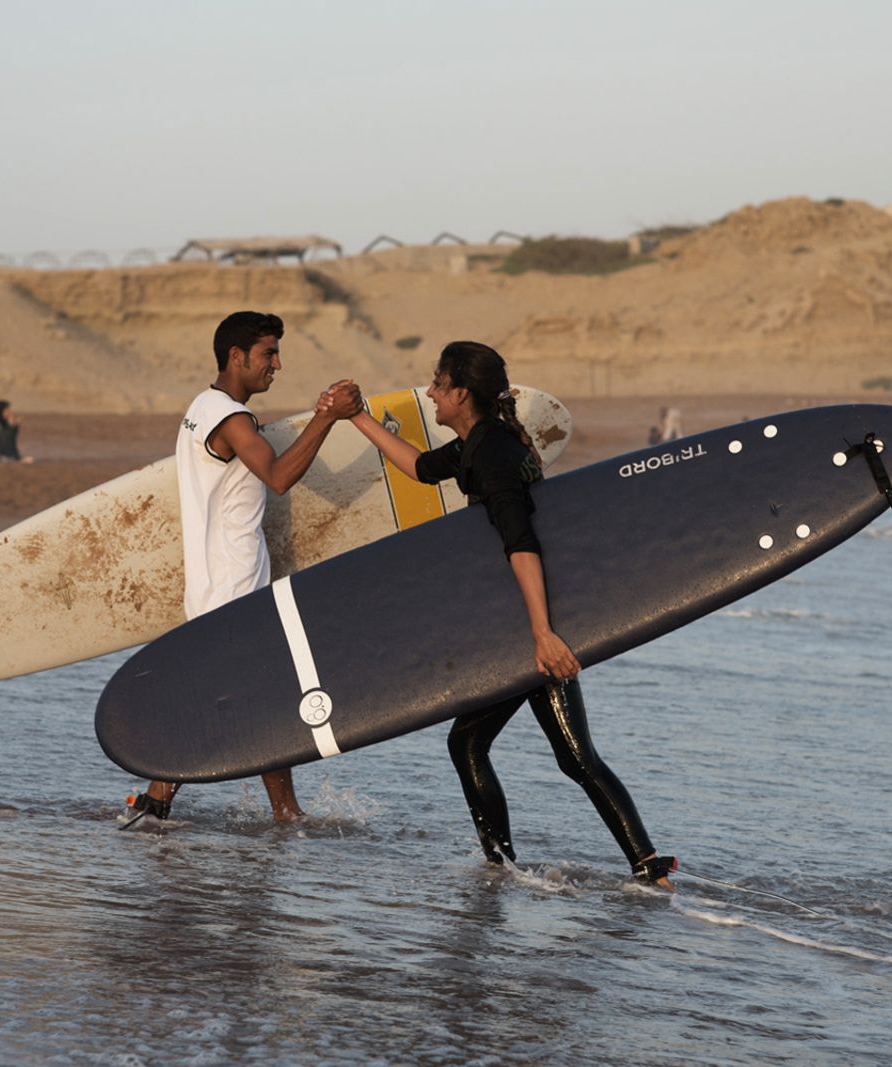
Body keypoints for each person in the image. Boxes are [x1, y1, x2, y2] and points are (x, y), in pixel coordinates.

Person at [345, 341, 676, 889]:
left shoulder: (493, 456)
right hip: (522, 621)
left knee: (551, 753)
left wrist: (543, 635)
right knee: (534, 751)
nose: (429, 392)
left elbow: (521, 543)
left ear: (461, 393)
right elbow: (423, 468)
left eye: (437, 383)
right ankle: (603, 867)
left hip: (531, 625)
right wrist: (357, 417)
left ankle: (549, 867)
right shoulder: (482, 443)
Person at [126, 310, 363, 825]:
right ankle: (283, 815)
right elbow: (278, 477)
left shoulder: (201, 408)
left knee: (236, 702)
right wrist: (326, 416)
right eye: (268, 354)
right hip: (232, 591)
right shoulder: (230, 419)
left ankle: (157, 805)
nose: (277, 364)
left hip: (220, 587)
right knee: (261, 702)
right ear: (237, 356)